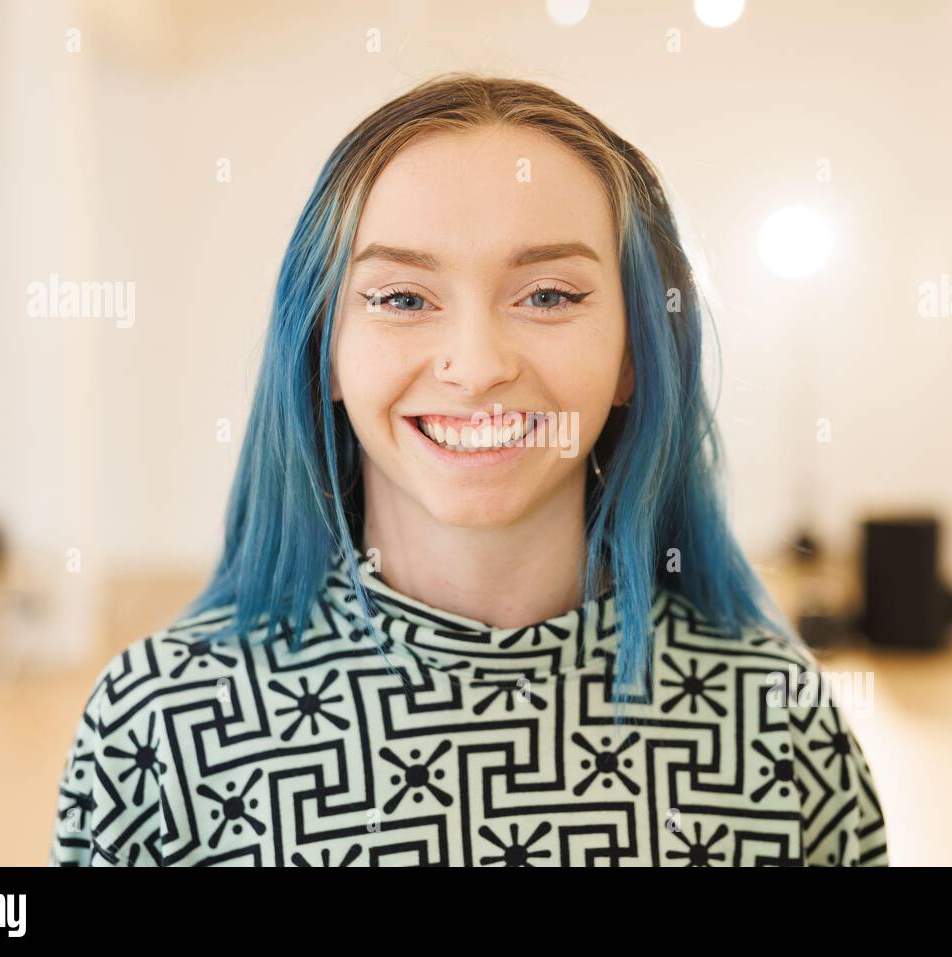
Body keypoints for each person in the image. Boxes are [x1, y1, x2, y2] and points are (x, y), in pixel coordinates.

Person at [48, 73, 888, 867]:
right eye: (403, 298)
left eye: (550, 295)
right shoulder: (158, 725)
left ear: (636, 353)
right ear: (325, 352)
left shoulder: (779, 723)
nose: (477, 364)